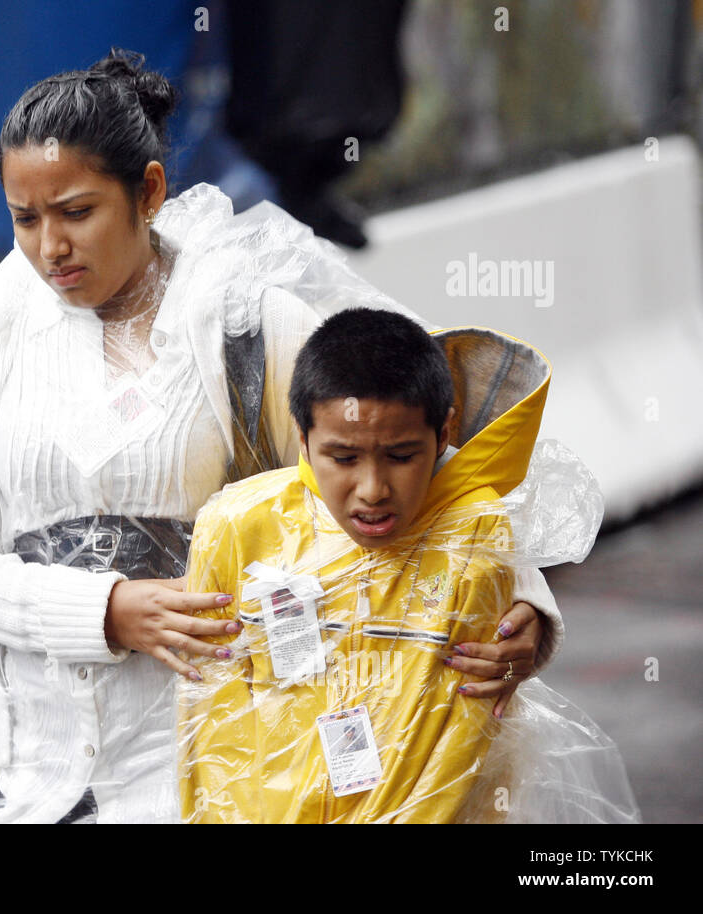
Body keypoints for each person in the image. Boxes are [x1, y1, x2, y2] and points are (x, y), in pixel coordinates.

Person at [0, 50, 561, 824]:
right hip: (28, 773)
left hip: (220, 759)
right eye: (26, 218)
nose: (50, 247)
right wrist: (104, 612)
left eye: (77, 212)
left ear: (147, 191)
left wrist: (524, 607)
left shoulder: (244, 325)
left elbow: (392, 463)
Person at [178, 309, 638, 823]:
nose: (373, 490)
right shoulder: (236, 526)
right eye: (344, 458)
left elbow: (460, 736)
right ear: (303, 439)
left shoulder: (474, 535)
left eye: (400, 456)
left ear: (443, 435)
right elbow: (213, 722)